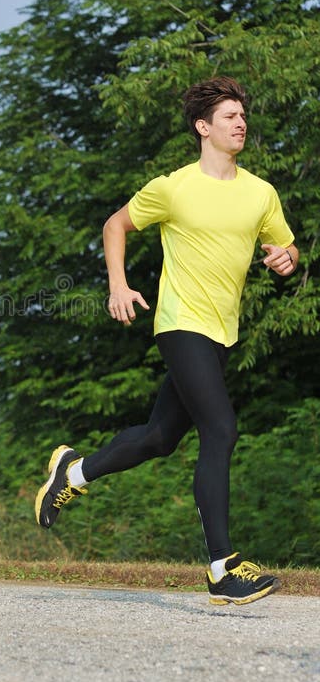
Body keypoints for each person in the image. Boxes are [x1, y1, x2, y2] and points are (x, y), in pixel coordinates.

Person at [35, 76, 298, 605]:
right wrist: (118, 283)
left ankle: (75, 471)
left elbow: (285, 252)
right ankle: (223, 569)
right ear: (204, 128)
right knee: (220, 429)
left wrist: (285, 260)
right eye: (229, 116)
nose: (240, 123)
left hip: (222, 333)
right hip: (180, 324)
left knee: (160, 438)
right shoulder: (173, 187)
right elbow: (116, 225)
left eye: (243, 115)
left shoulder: (260, 193)